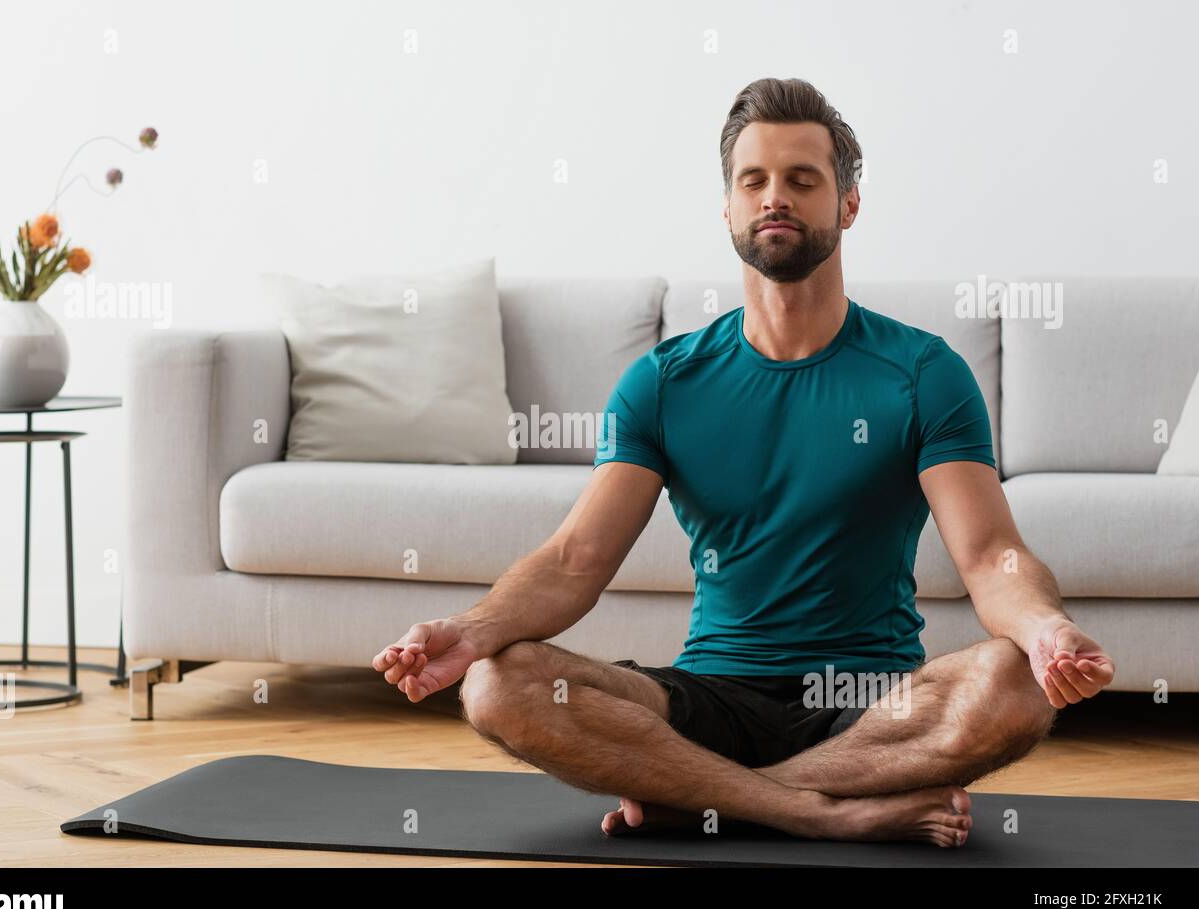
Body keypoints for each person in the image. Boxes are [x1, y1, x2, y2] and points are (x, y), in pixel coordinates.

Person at [372, 77, 1115, 847]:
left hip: (871, 704)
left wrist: (1046, 628)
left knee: (1018, 683)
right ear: (727, 207)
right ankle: (818, 809)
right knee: (498, 682)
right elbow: (573, 560)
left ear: (848, 205)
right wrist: (469, 628)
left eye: (803, 179)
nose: (775, 197)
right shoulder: (664, 382)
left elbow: (993, 555)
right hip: (709, 700)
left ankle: (705, 800)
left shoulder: (923, 372)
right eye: (752, 180)